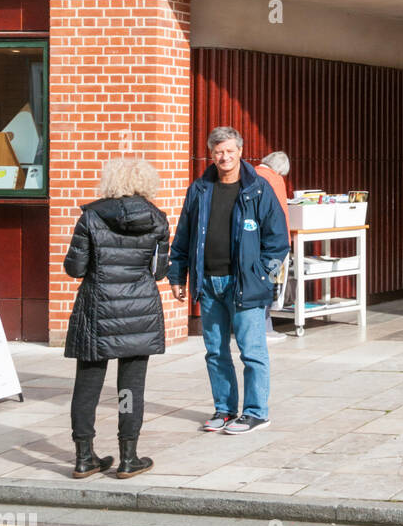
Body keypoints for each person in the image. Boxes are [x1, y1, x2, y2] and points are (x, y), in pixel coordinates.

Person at [168, 126, 289, 434]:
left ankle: (256, 412)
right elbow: (183, 237)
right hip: (209, 284)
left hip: (245, 284)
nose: (224, 157)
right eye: (218, 152)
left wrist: (263, 275)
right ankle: (224, 409)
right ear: (211, 154)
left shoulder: (258, 189)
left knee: (252, 352)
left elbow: (278, 240)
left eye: (230, 151)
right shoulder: (199, 190)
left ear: (240, 152)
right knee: (216, 352)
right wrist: (177, 274)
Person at [63, 158, 170, 480]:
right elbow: (159, 272)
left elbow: (75, 268)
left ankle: (84, 457)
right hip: (139, 313)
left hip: (96, 311)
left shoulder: (91, 216)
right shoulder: (157, 219)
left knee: (87, 387)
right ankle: (128, 457)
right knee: (129, 390)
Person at [255, 151, 291, 334]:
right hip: (274, 244)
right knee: (271, 284)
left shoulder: (251, 173)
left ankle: (261, 327)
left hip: (253, 241)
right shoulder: (274, 179)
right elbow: (280, 214)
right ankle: (265, 328)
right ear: (280, 170)